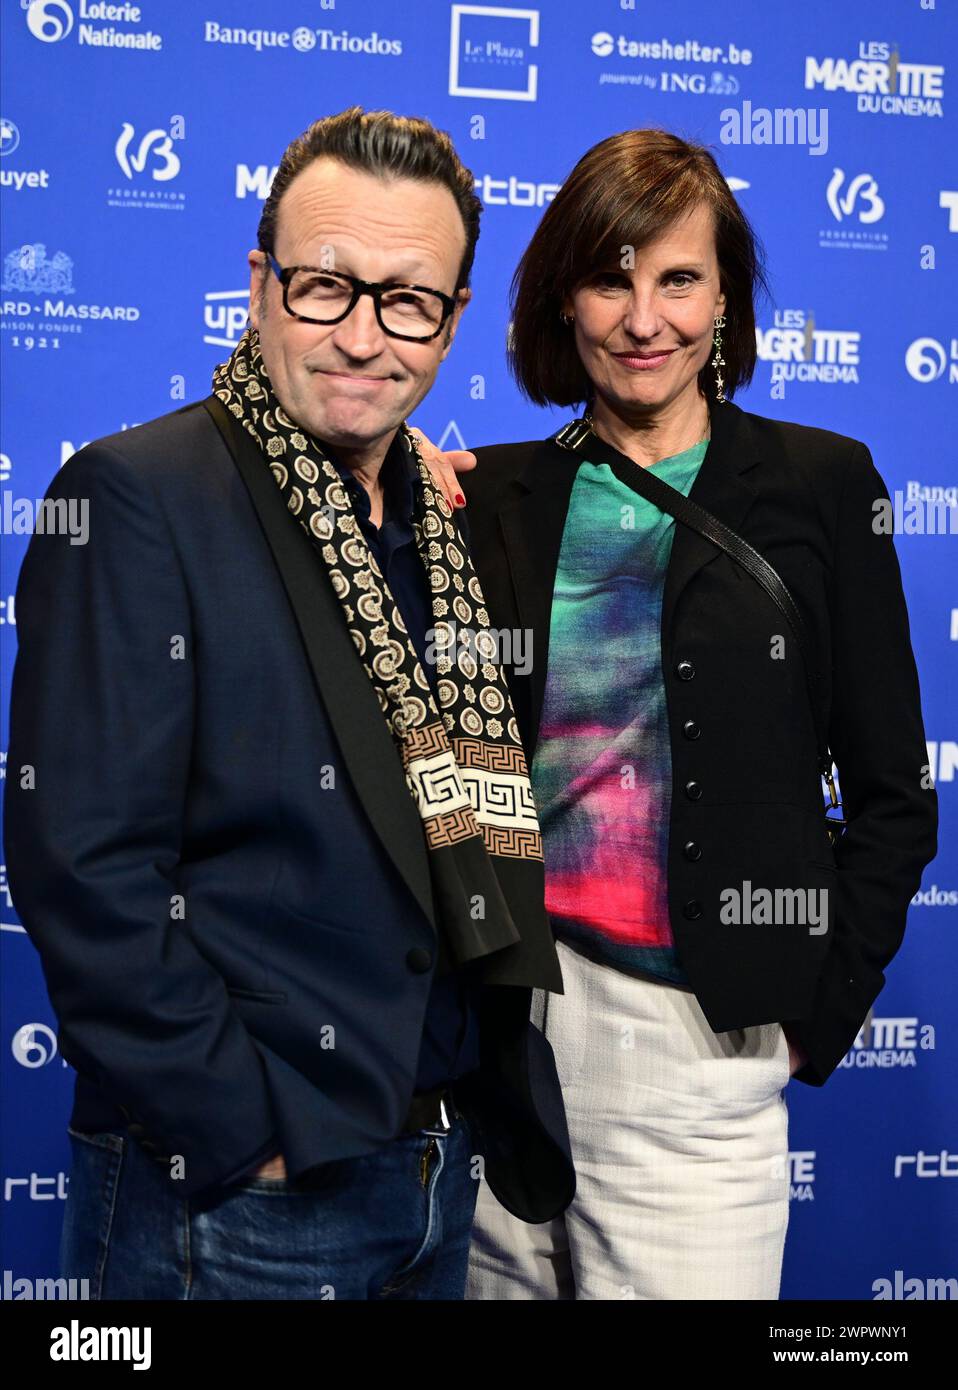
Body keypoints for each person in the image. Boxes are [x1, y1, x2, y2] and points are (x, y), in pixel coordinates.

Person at [3, 107, 574, 1302]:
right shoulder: (136, 496)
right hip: (241, 1191)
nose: (364, 337)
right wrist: (241, 1134)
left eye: (408, 300)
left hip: (436, 1165)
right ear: (260, 285)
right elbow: (85, 863)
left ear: (454, 320)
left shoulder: (439, 525)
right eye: (325, 286)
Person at [419, 128, 938, 1300]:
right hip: (505, 1049)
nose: (643, 318)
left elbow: (895, 796)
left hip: (702, 1057)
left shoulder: (819, 484)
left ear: (725, 297)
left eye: (678, 278)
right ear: (563, 298)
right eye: (609, 278)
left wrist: (807, 1017)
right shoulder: (487, 493)